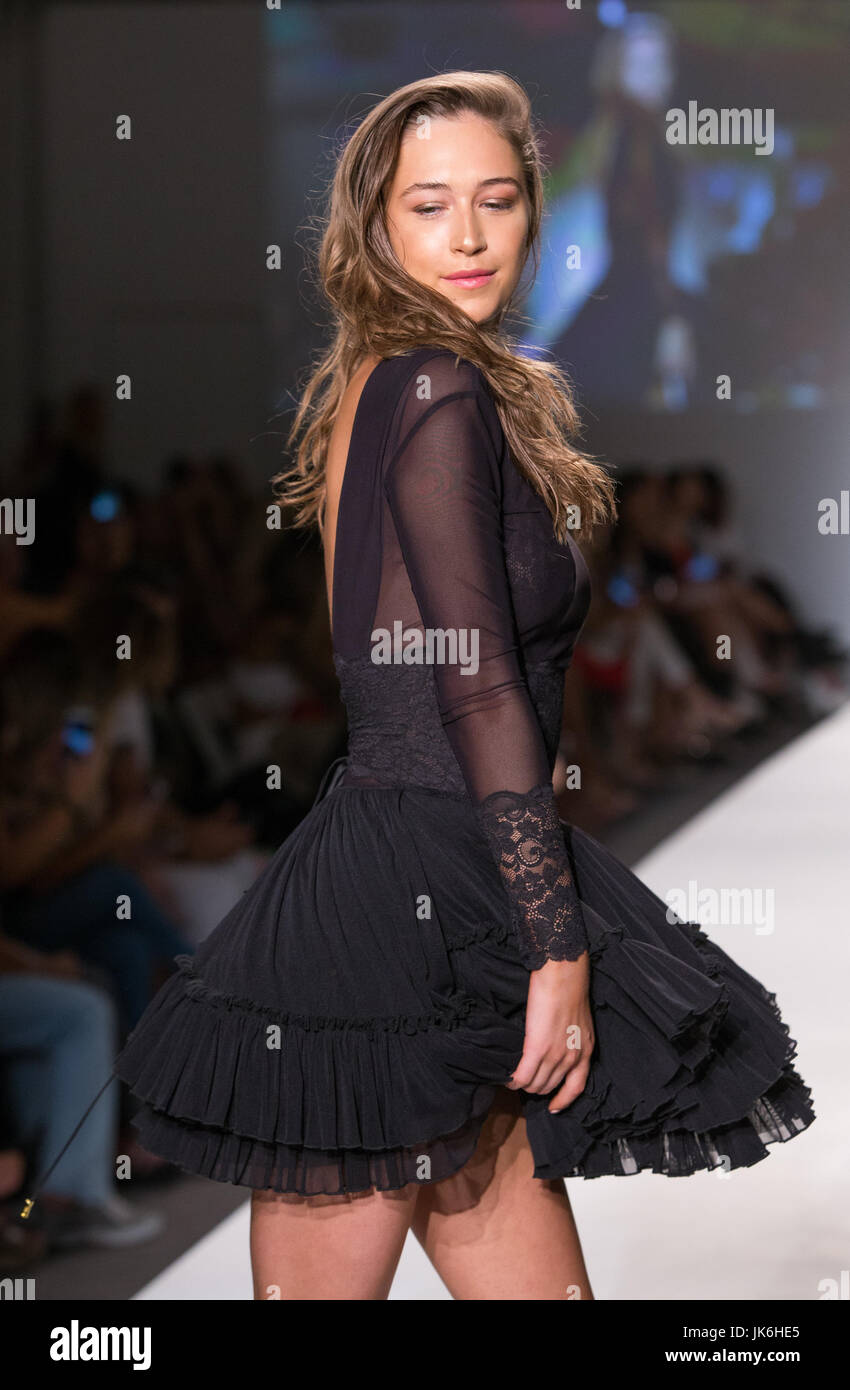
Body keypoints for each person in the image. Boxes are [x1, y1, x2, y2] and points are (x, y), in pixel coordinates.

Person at [29, 72, 815, 1301]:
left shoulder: (403, 384)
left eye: (494, 202)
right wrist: (557, 947)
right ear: (377, 227)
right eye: (427, 205)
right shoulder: (432, 389)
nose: (464, 236)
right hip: (419, 886)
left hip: (445, 879)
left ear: (531, 216)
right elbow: (474, 674)